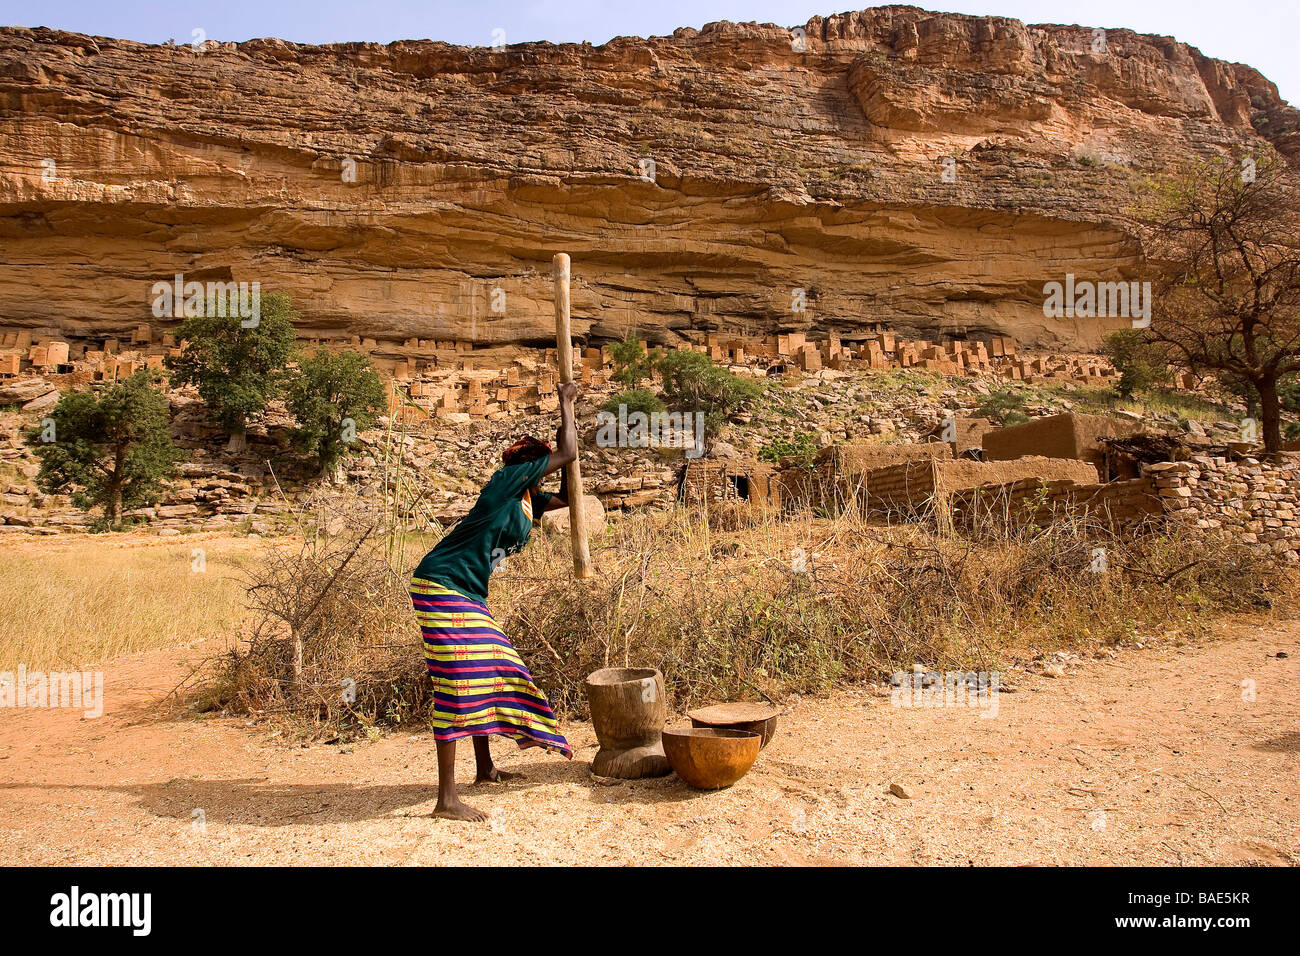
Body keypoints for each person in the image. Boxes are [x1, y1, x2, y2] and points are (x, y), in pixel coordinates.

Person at [409, 381, 581, 821]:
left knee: (492, 668)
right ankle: (446, 799)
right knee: (459, 681)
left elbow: (566, 491)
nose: (541, 467)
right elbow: (567, 454)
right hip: (441, 582)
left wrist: (561, 465)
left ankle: (484, 767)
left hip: (469, 592)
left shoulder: (527, 500)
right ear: (526, 466)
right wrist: (565, 402)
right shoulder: (506, 482)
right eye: (537, 462)